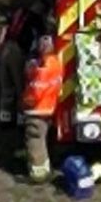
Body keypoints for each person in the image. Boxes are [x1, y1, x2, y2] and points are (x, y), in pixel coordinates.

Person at [0, 3, 51, 127]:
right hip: (18, 52)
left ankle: (5, 118)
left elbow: (4, 28)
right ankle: (22, 118)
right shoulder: (37, 20)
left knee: (6, 83)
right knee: (21, 85)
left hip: (6, 48)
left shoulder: (19, 11)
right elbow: (41, 41)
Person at [21, 34, 63, 184]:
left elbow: (35, 91)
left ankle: (38, 175)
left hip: (37, 109)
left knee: (35, 139)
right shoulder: (56, 63)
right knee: (43, 138)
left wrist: (25, 103)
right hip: (49, 107)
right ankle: (45, 169)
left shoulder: (42, 67)